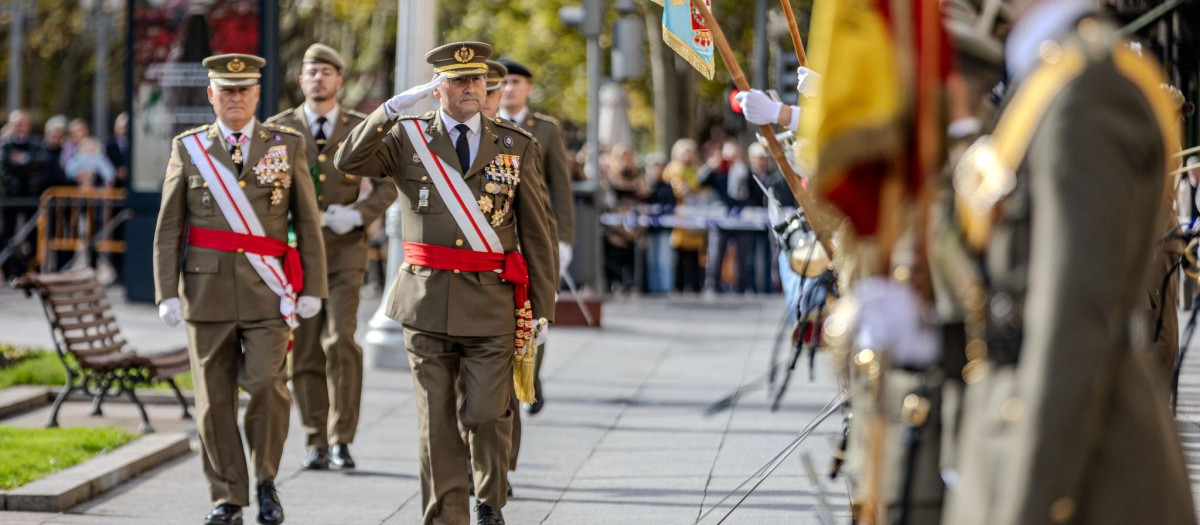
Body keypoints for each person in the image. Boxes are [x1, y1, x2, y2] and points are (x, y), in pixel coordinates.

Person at [942, 4, 1195, 524]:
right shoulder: (1048, 72)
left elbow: (1070, 325)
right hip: (1036, 437)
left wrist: (1021, 503)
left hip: (1089, 478)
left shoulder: (1086, 87)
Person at [335, 41, 556, 525]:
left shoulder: (515, 145)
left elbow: (538, 233)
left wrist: (542, 308)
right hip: (425, 301)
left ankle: (488, 498)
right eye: (458, 81)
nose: (471, 88)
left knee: (482, 413)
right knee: (436, 421)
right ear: (438, 90)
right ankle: (445, 517)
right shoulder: (407, 138)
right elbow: (348, 161)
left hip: (492, 303)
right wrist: (391, 108)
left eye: (476, 80)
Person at [153, 53, 327, 525]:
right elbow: (170, 226)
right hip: (205, 292)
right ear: (211, 95)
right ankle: (228, 496)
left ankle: (266, 480)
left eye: (243, 90)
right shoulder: (188, 148)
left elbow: (307, 223)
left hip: (267, 292)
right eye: (225, 91)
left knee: (267, 385)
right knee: (213, 400)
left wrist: (314, 285)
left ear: (256, 95)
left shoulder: (286, 144)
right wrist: (166, 290)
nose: (234, 98)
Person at [266, 43, 398, 472]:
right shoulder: (278, 128)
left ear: (339, 80)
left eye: (326, 72)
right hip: (297, 253)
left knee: (340, 339)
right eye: (311, 72)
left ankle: (343, 438)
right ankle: (315, 439)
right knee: (303, 350)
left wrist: (359, 214)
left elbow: (389, 180)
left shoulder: (360, 127)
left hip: (344, 251)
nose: (318, 79)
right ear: (301, 80)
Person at [497, 58, 573, 415]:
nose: (508, 88)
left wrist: (565, 241)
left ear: (528, 88)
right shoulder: (487, 124)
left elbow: (560, 189)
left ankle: (531, 372)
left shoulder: (545, 130)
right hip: (499, 235)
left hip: (538, 237)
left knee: (536, 310)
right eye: (503, 82)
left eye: (514, 82)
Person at [0, 110, 45, 278]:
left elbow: (39, 163)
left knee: (32, 233)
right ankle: (8, 269)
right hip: (10, 196)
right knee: (8, 233)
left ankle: (31, 268)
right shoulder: (5, 145)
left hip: (30, 196)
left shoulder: (36, 144)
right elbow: (4, 167)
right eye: (17, 124)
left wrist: (22, 161)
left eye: (23, 123)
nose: (20, 127)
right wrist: (23, 163)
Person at [662, 138, 705, 293]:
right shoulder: (673, 168)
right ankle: (678, 286)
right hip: (680, 219)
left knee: (695, 256)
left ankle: (694, 286)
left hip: (695, 219)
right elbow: (678, 189)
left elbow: (701, 187)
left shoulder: (695, 169)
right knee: (679, 256)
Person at [642, 153, 675, 294]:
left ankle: (665, 287)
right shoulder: (645, 185)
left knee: (664, 259)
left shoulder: (667, 187)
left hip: (664, 229)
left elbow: (671, 207)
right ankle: (653, 287)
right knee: (651, 259)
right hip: (648, 230)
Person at [106, 112, 130, 189]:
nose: (123, 129)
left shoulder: (133, 144)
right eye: (121, 127)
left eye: (125, 127)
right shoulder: (109, 144)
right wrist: (115, 172)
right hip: (115, 183)